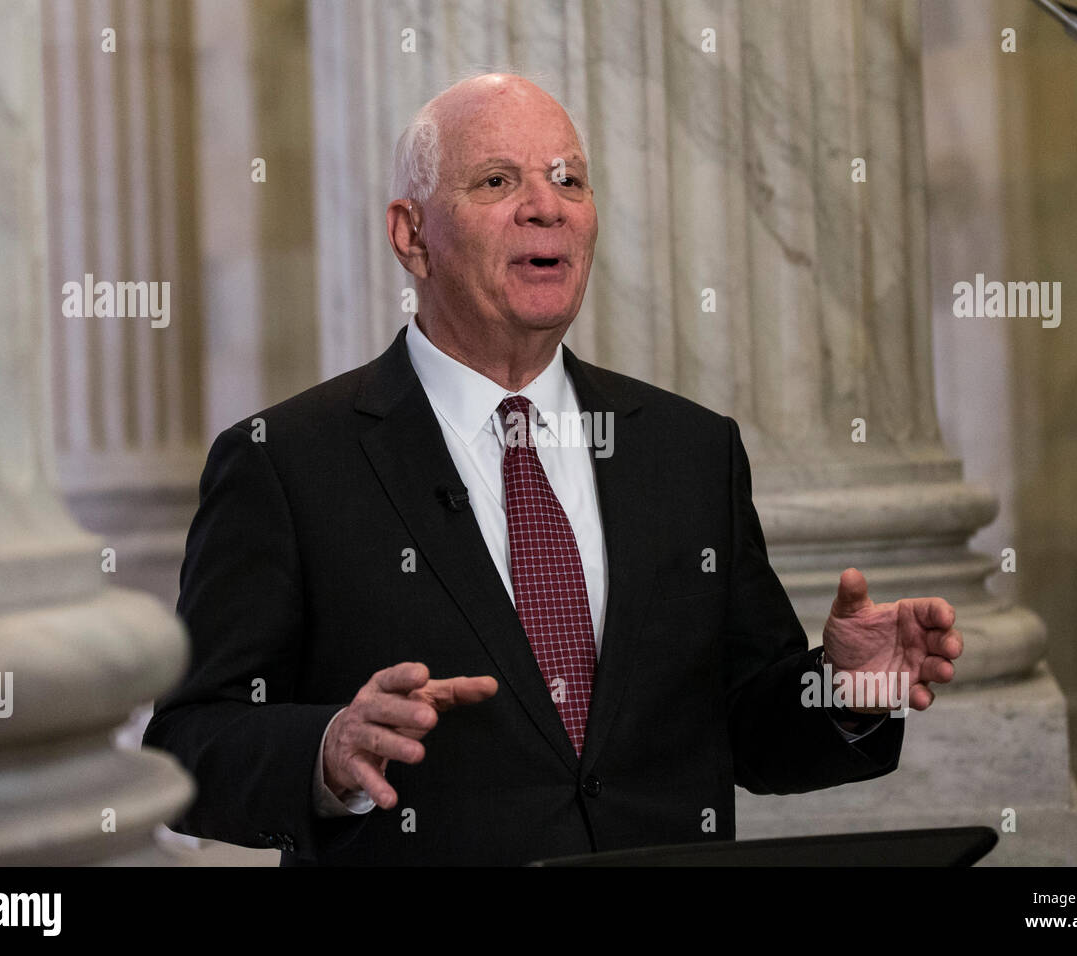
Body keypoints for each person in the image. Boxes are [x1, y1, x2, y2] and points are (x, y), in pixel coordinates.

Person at [143, 73, 963, 866]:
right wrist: (327, 750)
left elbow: (745, 724)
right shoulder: (286, 462)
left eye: (569, 180)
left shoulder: (687, 450)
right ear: (411, 234)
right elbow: (188, 749)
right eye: (498, 180)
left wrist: (843, 692)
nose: (546, 206)